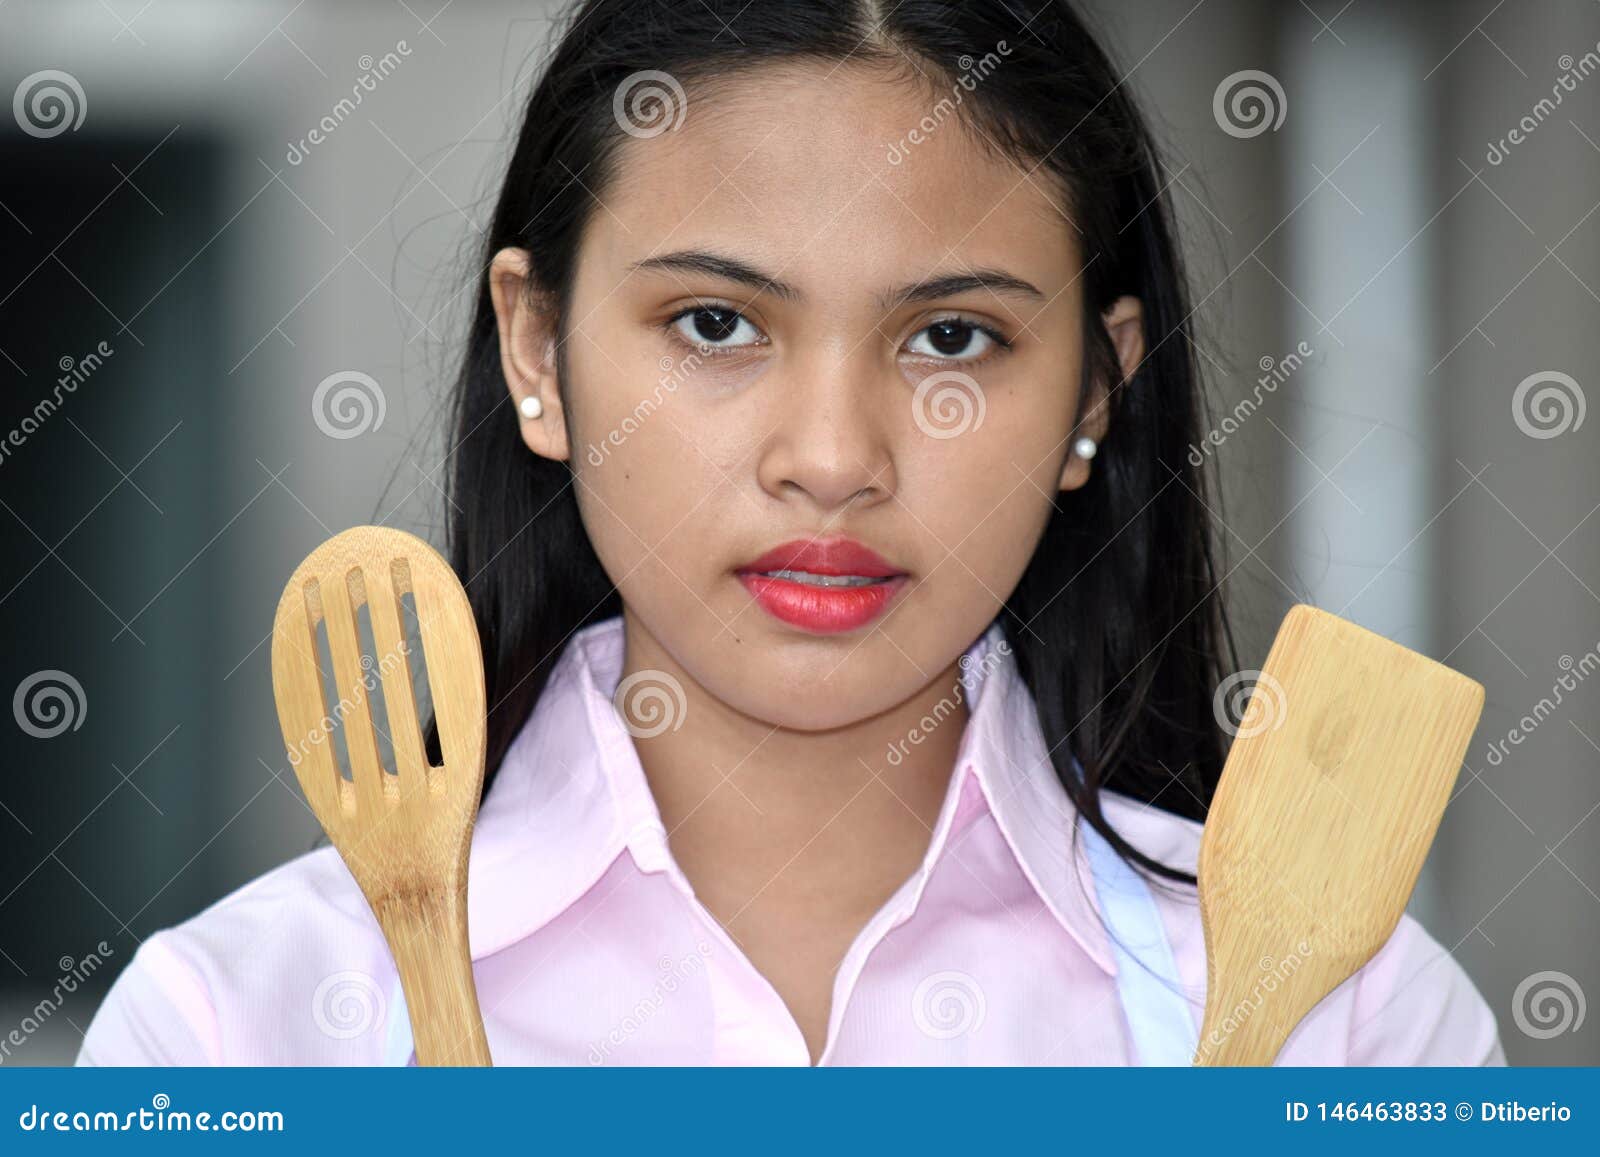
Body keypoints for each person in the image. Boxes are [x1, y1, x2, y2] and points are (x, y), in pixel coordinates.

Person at [78, 0, 1504, 1066]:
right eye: (715, 323)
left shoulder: (1351, 1026)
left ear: (1095, 395)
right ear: (537, 350)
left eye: (952, 336)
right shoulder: (233, 1034)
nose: (833, 459)